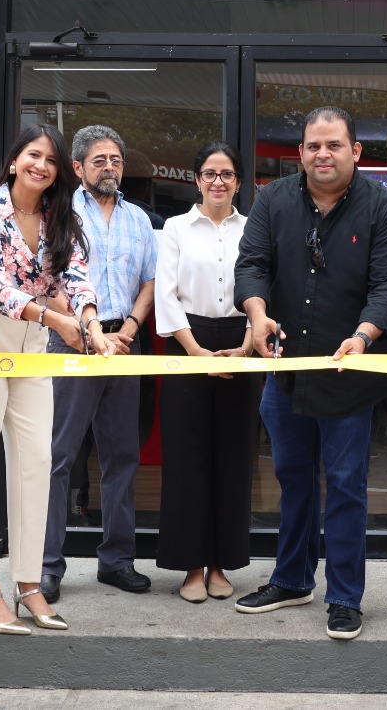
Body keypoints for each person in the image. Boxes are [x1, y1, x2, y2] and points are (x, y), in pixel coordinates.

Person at [232, 105, 387, 641]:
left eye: (333, 145)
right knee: (291, 482)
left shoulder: (383, 210)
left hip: (349, 376)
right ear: (302, 152)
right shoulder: (274, 200)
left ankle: (344, 596)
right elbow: (252, 263)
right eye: (313, 146)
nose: (322, 155)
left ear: (355, 151)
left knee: (346, 487)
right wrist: (258, 313)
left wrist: (363, 336)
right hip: (286, 372)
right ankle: (291, 579)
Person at [0, 124, 110, 635]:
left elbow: (76, 276)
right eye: (33, 155)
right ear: (15, 160)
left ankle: (28, 583)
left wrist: (88, 321)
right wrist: (56, 320)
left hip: (33, 343)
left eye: (51, 160)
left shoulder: (59, 218)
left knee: (36, 464)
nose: (42, 165)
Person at [39, 125, 157, 603]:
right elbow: (50, 277)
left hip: (124, 342)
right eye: (100, 160)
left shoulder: (140, 219)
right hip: (70, 341)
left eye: (116, 160)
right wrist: (86, 330)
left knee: (121, 456)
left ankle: (117, 561)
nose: (109, 167)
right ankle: (46, 567)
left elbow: (150, 280)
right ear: (79, 168)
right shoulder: (60, 214)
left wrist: (129, 326)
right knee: (59, 457)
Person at [154, 142, 257, 603]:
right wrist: (195, 350)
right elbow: (165, 294)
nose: (219, 181)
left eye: (228, 174)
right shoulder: (175, 228)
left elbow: (263, 288)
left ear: (238, 181)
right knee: (187, 456)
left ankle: (221, 564)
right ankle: (191, 566)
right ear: (197, 179)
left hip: (241, 344)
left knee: (233, 457)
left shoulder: (254, 229)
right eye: (210, 173)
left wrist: (247, 346)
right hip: (187, 343)